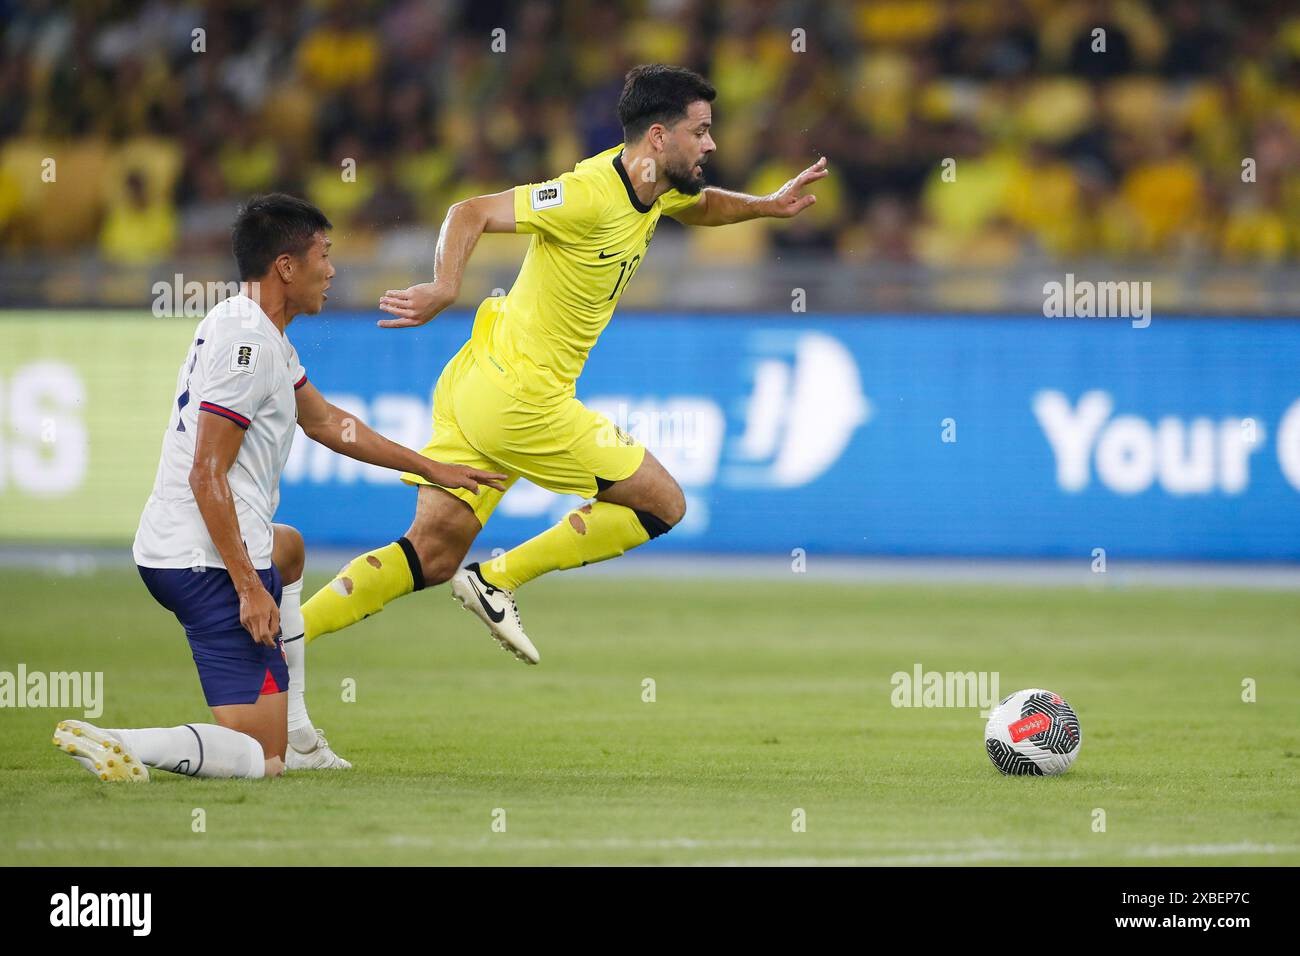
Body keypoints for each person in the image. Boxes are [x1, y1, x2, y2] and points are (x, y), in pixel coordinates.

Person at [300, 64, 828, 664]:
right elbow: (469, 211)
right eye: (701, 130)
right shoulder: (585, 195)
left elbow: (700, 206)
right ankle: (496, 578)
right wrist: (446, 285)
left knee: (430, 552)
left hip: (478, 382)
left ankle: (285, 638)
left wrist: (768, 205)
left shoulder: (657, 185)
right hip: (524, 400)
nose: (711, 143)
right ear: (659, 136)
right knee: (664, 503)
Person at [54, 194, 504, 781]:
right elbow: (206, 473)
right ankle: (122, 742)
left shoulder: (251, 328)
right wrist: (248, 589)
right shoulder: (249, 349)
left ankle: (297, 731)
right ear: (286, 267)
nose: (333, 269)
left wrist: (432, 468)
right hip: (204, 562)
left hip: (194, 544)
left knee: (287, 549)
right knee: (261, 763)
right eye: (324, 254)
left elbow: (327, 423)